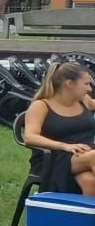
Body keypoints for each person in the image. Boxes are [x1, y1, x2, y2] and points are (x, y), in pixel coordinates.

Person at [22, 59, 95, 197]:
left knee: (90, 181)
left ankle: (81, 217)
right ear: (69, 84)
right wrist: (64, 146)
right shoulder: (41, 106)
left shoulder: (84, 101)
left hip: (83, 155)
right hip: (53, 157)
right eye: (86, 84)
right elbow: (29, 137)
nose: (90, 89)